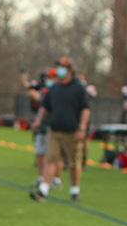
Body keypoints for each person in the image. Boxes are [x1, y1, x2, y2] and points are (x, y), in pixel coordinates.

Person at [30, 56, 91, 202]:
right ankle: (43, 190)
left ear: (70, 69)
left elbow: (85, 109)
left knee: (74, 162)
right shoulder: (55, 88)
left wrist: (82, 129)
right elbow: (45, 106)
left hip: (72, 131)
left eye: (62, 67)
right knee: (51, 159)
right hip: (55, 130)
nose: (59, 70)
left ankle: (74, 190)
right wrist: (38, 120)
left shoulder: (79, 88)